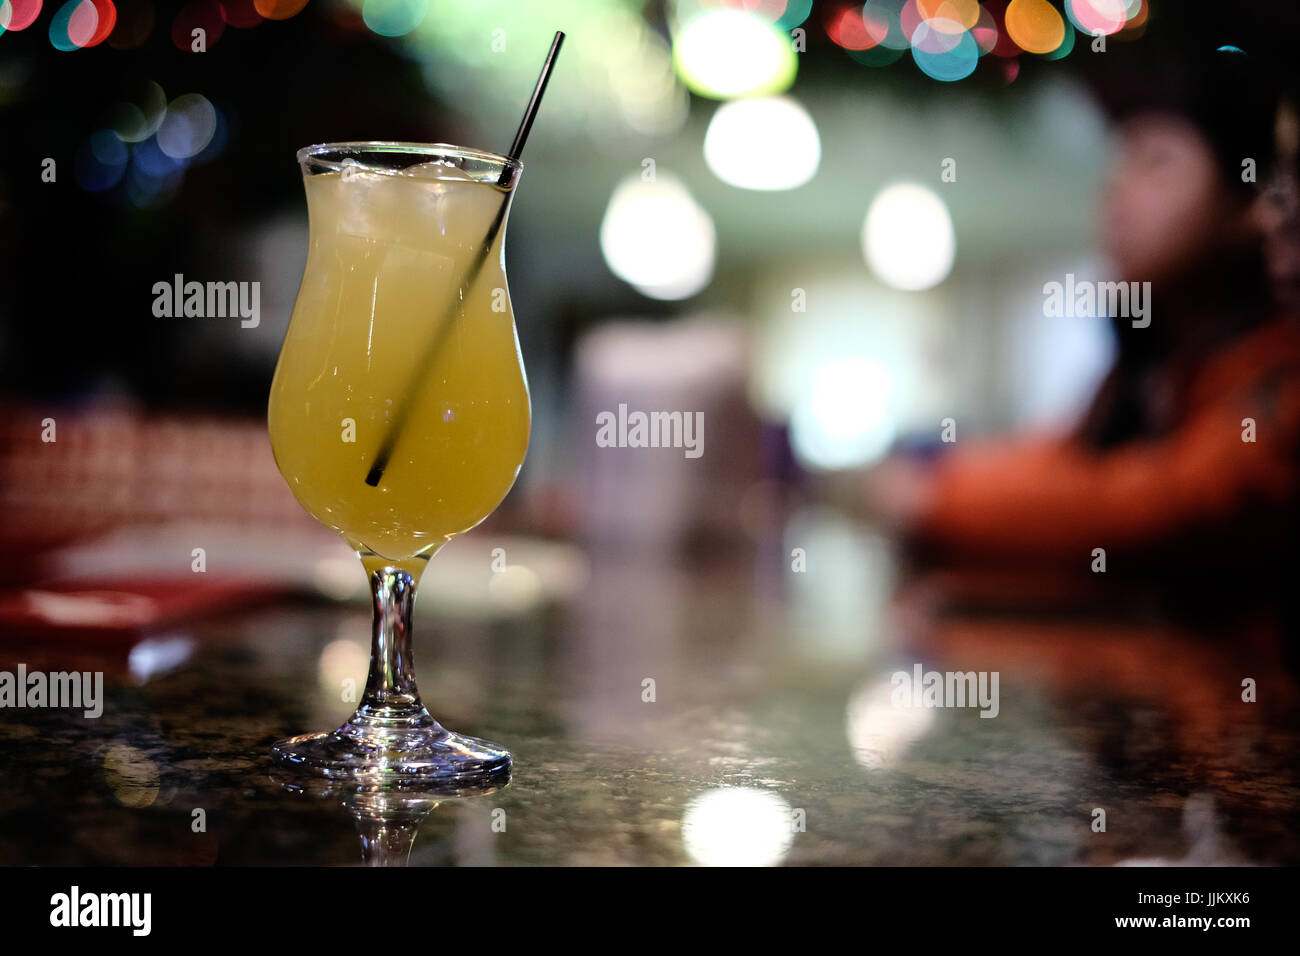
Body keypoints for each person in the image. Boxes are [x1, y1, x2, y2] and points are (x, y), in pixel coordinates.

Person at [864, 49, 1300, 575]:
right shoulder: (1159, 365)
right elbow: (1065, 459)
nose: (1116, 187)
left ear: (1248, 204)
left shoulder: (1277, 370)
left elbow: (1162, 504)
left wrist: (933, 498)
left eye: (1154, 161)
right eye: (1119, 163)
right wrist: (934, 475)